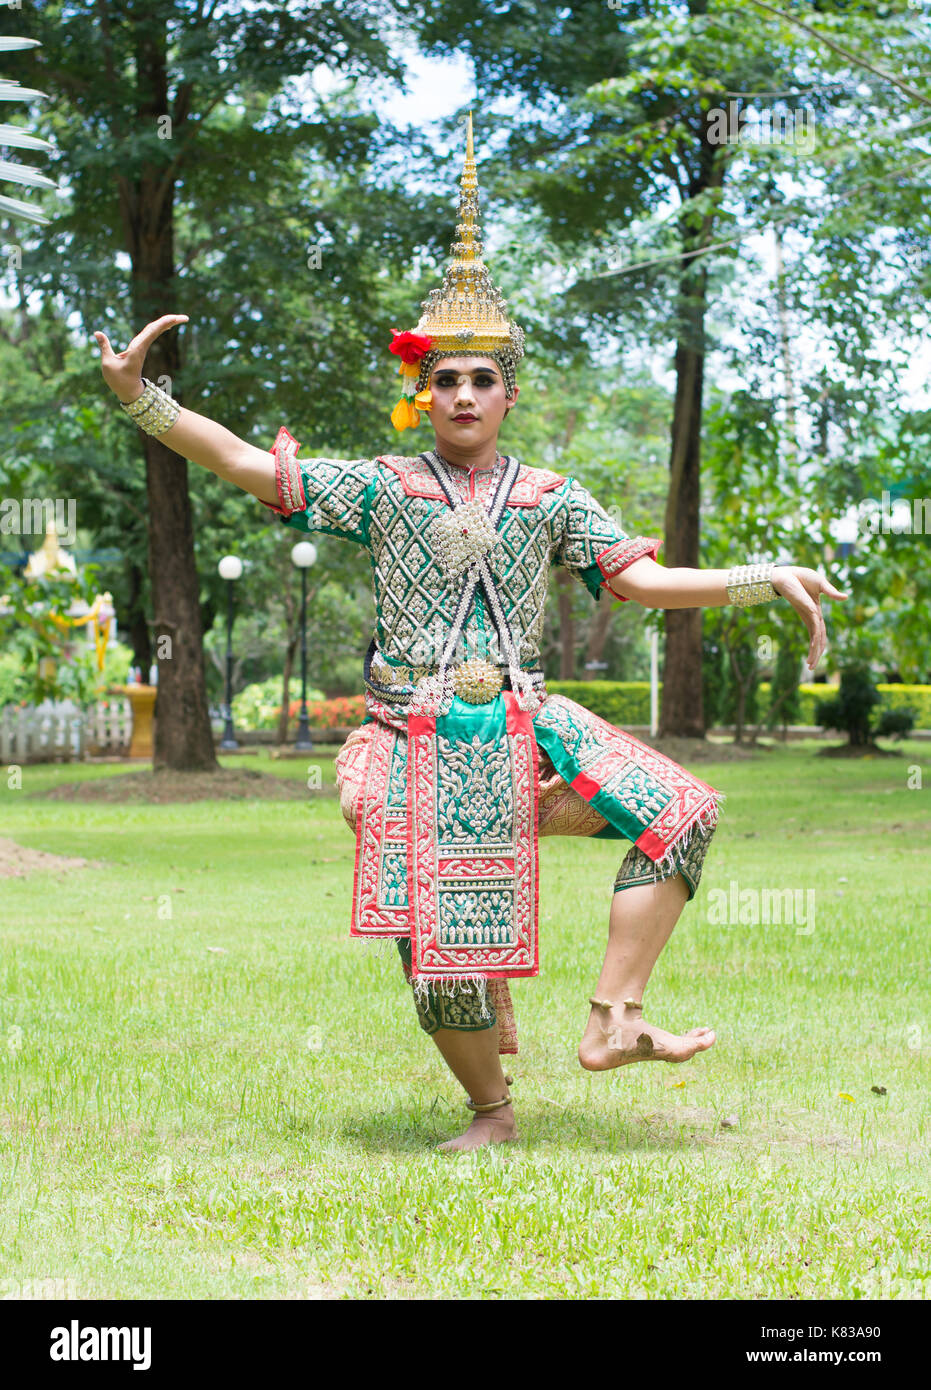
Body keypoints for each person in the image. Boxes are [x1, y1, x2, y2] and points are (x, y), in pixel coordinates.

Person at [94, 115, 846, 1154]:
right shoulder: (388, 487)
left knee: (683, 811)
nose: (460, 394)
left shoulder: (549, 494)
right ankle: (491, 1107)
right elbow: (246, 467)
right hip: (412, 738)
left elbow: (648, 579)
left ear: (507, 391)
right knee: (439, 954)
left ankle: (613, 1019)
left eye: (480, 379)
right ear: (425, 391)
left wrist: (766, 578)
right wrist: (143, 399)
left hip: (528, 725)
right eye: (444, 378)